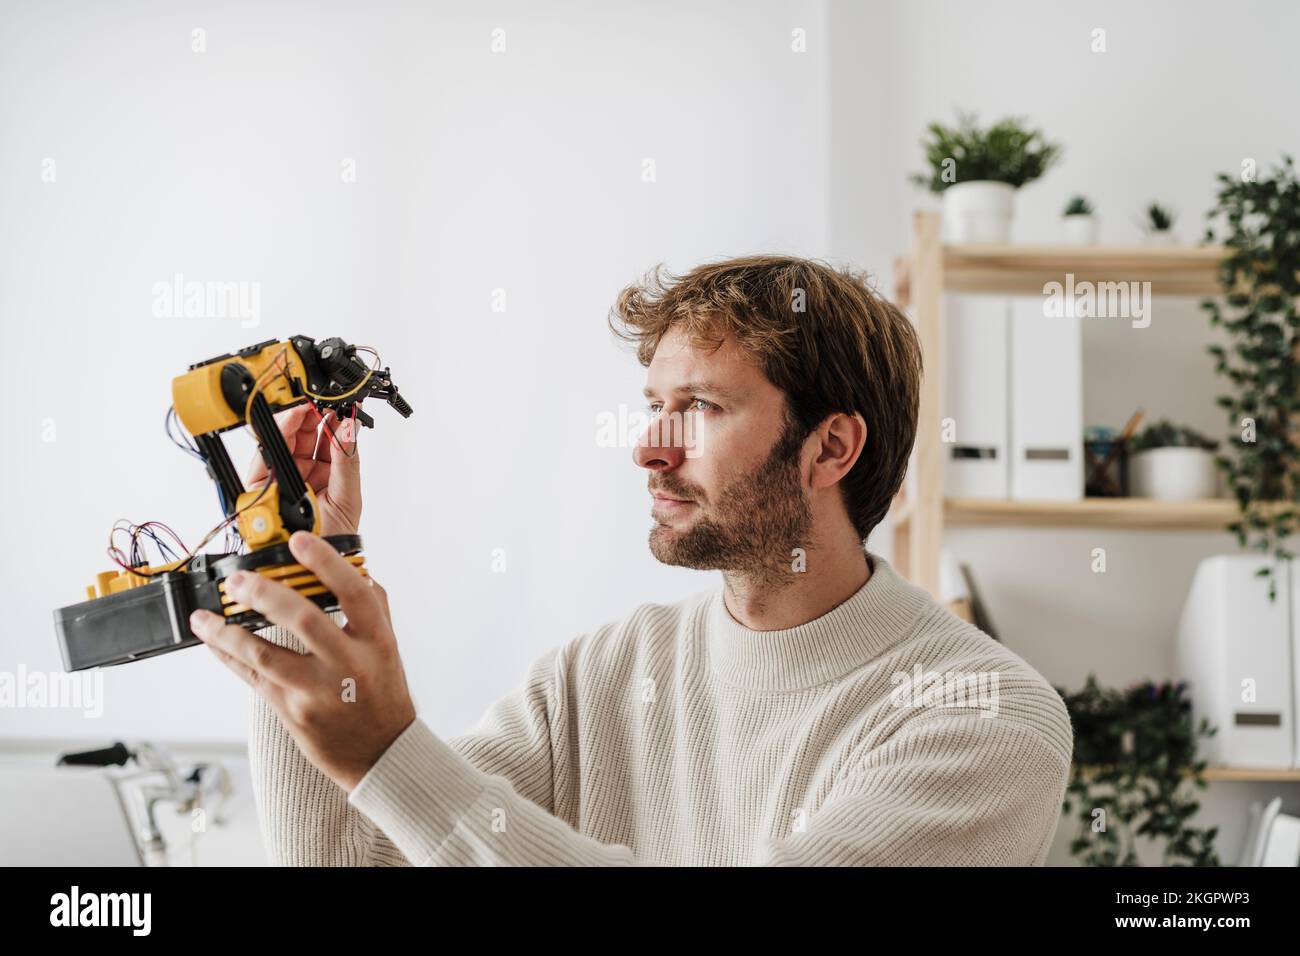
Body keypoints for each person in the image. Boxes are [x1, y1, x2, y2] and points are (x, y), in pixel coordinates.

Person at [190, 255, 1073, 866]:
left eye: (698, 407)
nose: (649, 447)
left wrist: (392, 753)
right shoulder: (601, 676)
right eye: (654, 404)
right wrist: (299, 561)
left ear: (830, 447)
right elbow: (369, 863)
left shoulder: (988, 717)